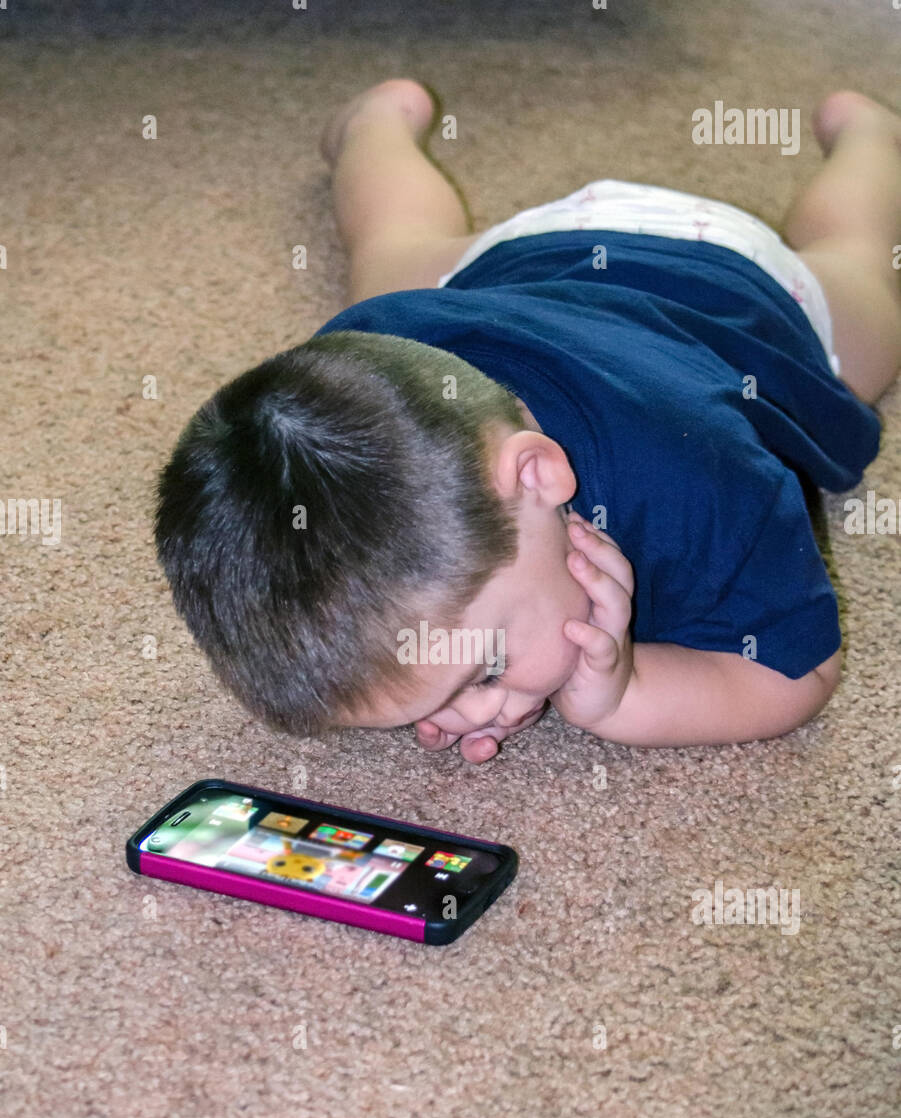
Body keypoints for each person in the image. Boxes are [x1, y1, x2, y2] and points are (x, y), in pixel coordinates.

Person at [155, 81, 900, 763]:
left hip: (734, 279)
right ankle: (370, 125)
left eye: (484, 671)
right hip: (515, 265)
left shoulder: (707, 474)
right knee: (391, 247)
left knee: (858, 277)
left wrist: (628, 693)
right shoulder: (374, 360)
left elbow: (798, 669)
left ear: (540, 473)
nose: (479, 711)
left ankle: (872, 137)